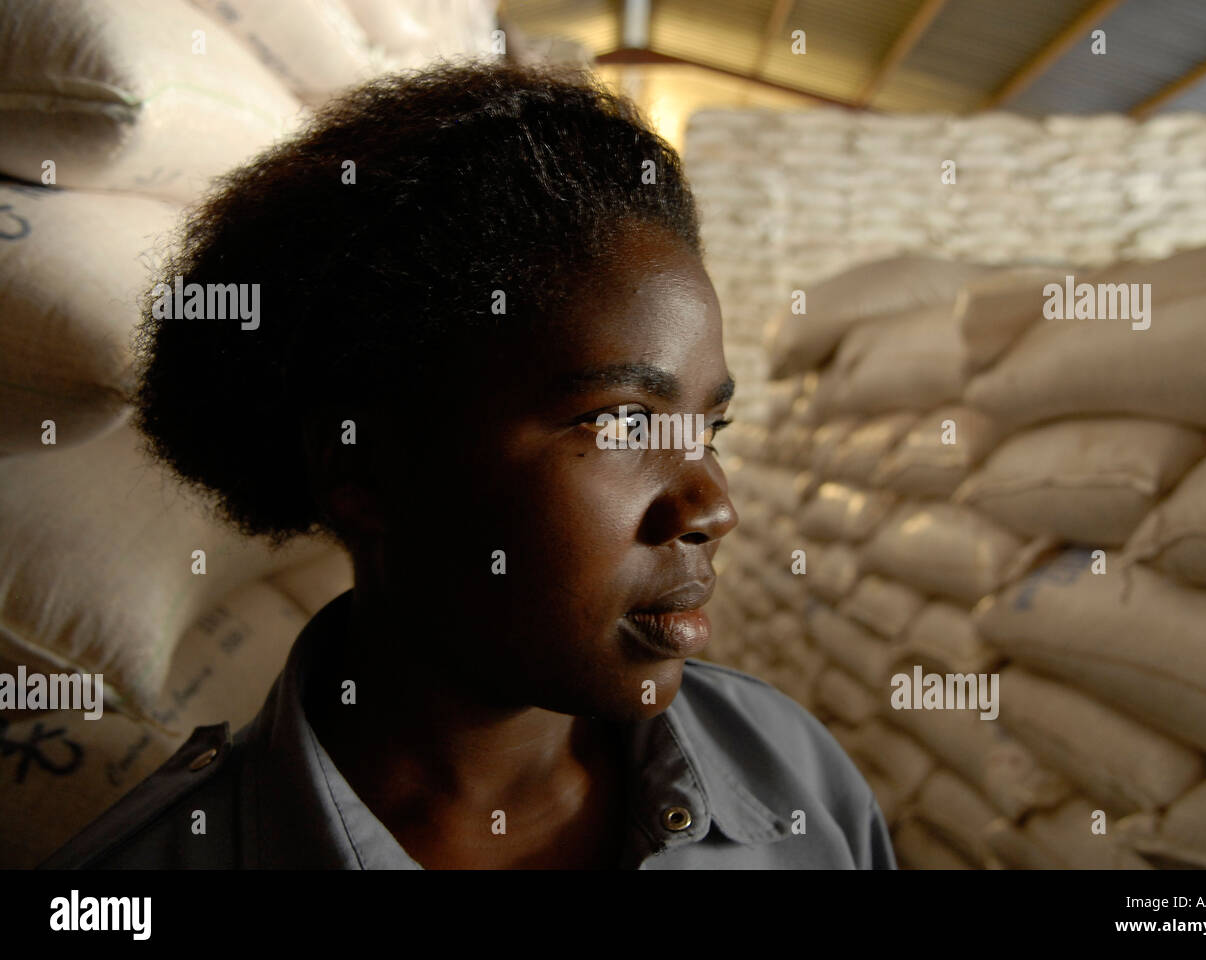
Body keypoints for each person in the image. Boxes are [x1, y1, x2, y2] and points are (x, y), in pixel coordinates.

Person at [40, 61, 896, 870]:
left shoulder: (795, 779)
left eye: (711, 426)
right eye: (623, 423)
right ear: (366, 471)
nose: (712, 506)